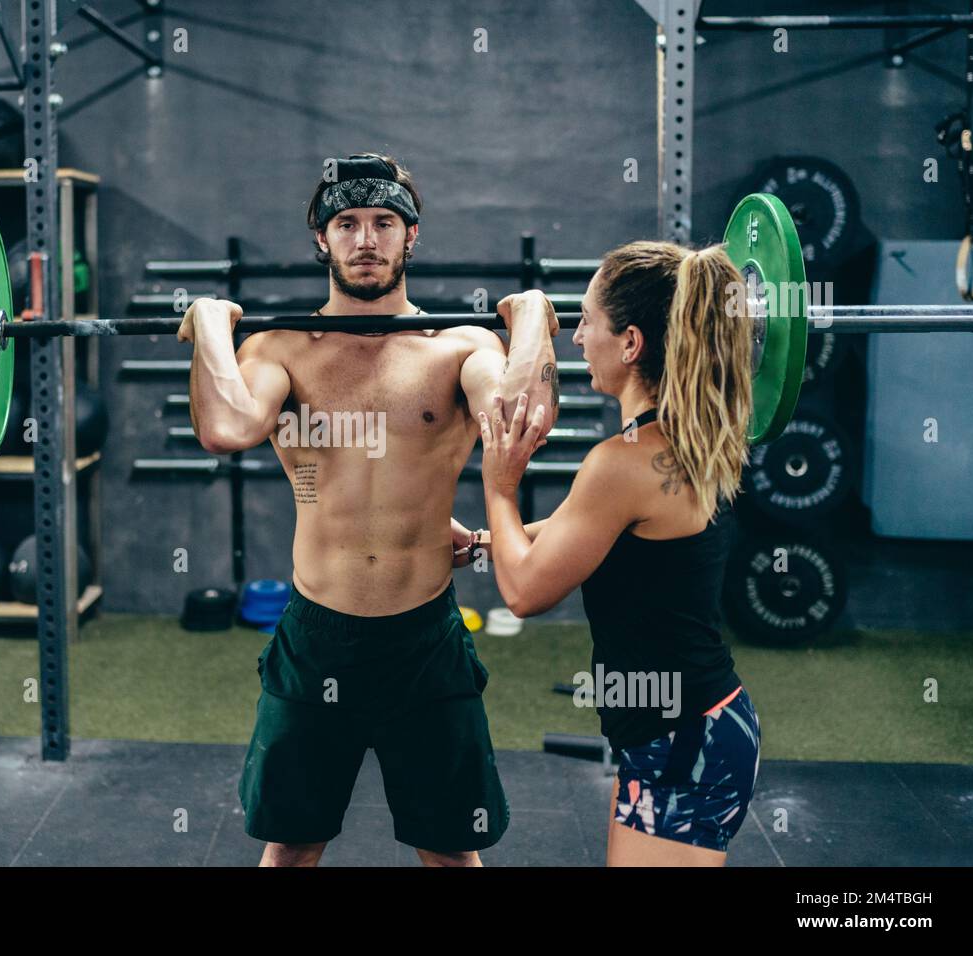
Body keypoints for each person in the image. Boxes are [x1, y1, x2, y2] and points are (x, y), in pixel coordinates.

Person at [177, 153, 559, 866]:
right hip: (318, 633)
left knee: (452, 849)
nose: (365, 239)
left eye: (385, 222)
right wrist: (209, 328)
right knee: (291, 845)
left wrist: (533, 318)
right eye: (345, 222)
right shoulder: (281, 347)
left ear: (411, 236)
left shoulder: (461, 347)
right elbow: (225, 429)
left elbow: (523, 419)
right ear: (322, 239)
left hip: (425, 640)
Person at [475, 240, 761, 866]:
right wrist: (486, 541)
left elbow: (524, 594)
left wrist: (499, 487)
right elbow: (593, 528)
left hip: (682, 740)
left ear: (630, 343)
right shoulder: (687, 435)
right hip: (693, 724)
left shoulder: (621, 463)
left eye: (587, 322)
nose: (577, 339)